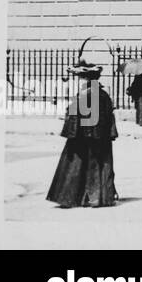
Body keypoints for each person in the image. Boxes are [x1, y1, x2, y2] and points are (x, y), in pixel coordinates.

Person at [47, 59, 120, 208]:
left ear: (86, 78)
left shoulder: (84, 94)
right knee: (97, 164)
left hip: (83, 136)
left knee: (75, 164)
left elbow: (75, 117)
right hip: (99, 136)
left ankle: (72, 197)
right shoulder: (103, 94)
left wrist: (70, 122)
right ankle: (97, 198)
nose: (78, 80)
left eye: (80, 77)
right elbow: (108, 116)